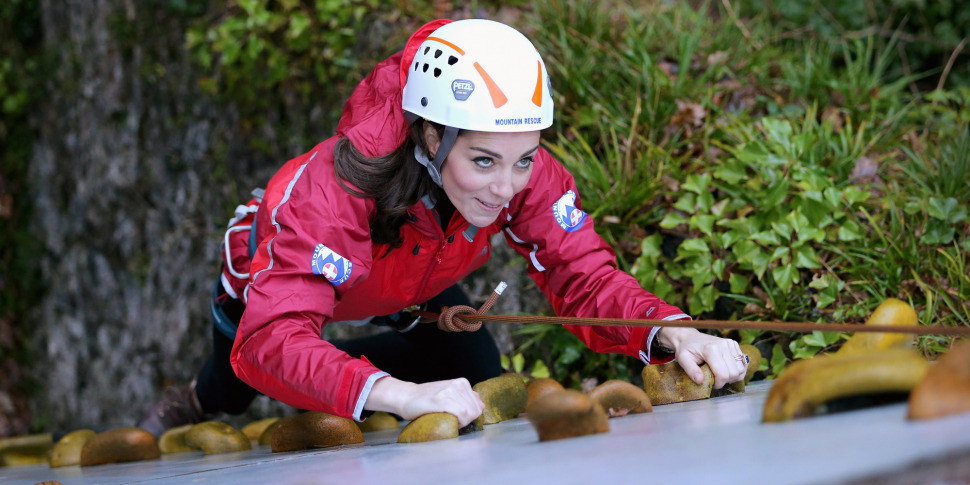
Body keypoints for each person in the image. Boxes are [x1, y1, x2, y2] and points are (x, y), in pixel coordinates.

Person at [137, 18, 748, 435]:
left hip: (416, 283)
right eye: (483, 160)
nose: (507, 186)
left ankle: (336, 369)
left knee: (478, 376)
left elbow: (583, 276)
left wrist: (672, 332)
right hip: (274, 282)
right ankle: (200, 399)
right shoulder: (330, 191)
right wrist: (396, 394)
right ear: (431, 134)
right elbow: (268, 341)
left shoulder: (521, 171)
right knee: (235, 385)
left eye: (525, 158)